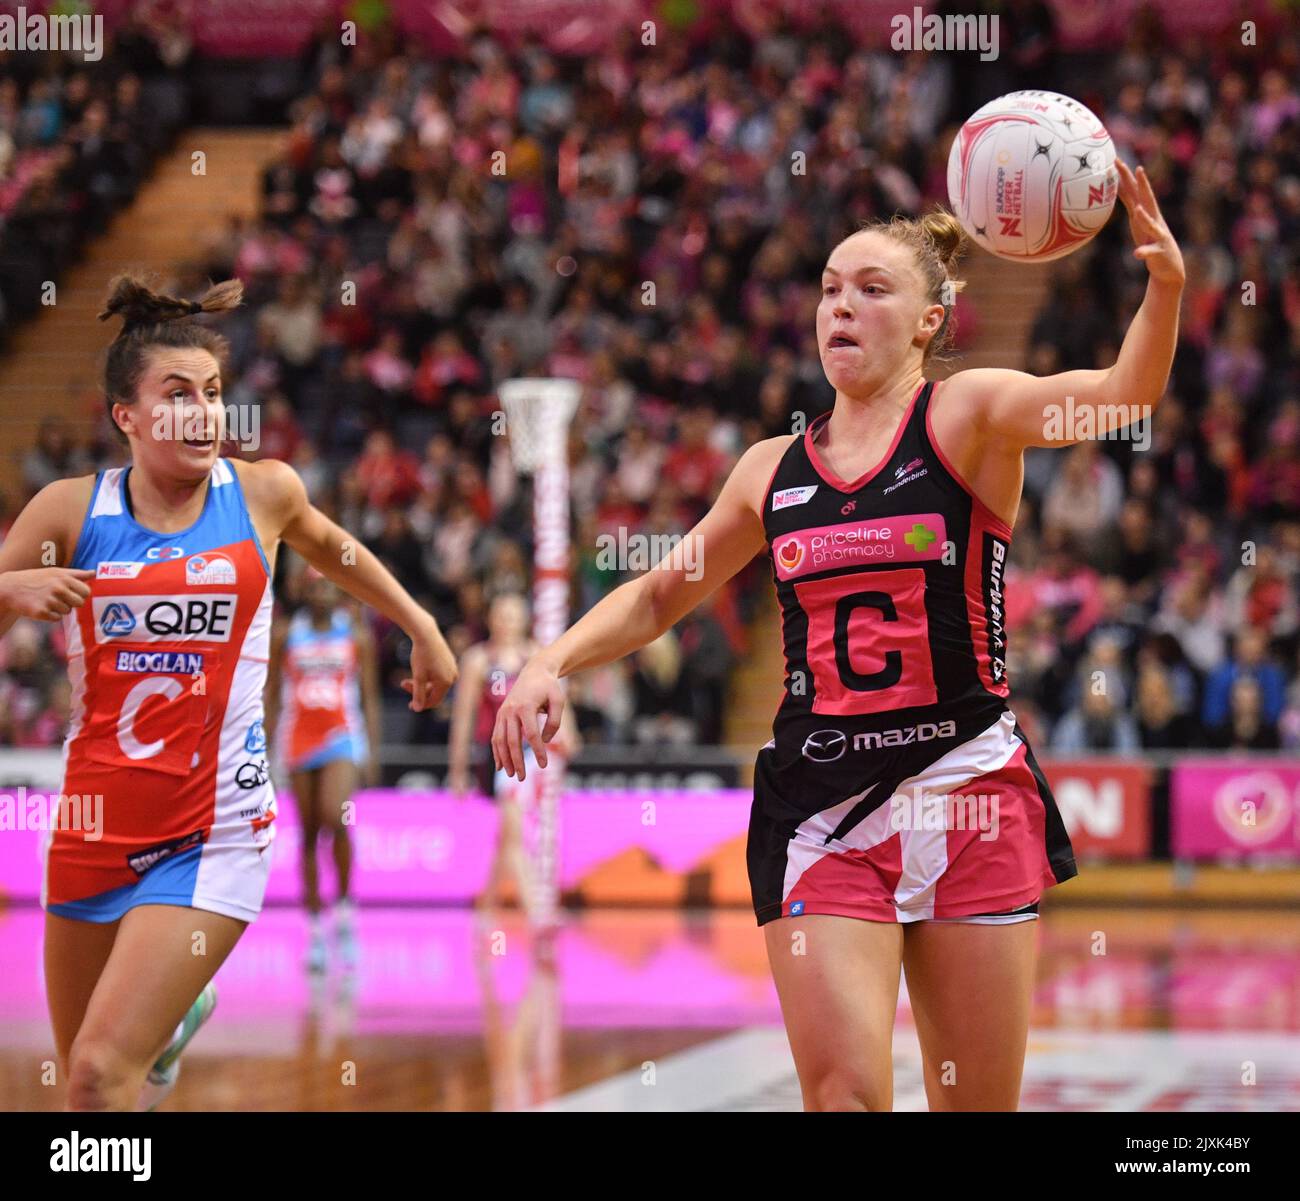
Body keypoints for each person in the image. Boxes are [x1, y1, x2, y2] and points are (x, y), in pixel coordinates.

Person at [493, 162, 1184, 1110]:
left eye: (871, 289)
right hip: (821, 804)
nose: (839, 309)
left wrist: (1166, 288)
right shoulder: (768, 468)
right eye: (827, 290)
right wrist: (549, 659)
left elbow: (1120, 395)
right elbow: (658, 597)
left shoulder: (969, 415)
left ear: (930, 320)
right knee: (844, 1096)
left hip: (965, 789)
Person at [0, 275, 457, 1112]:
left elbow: (338, 552)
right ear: (125, 417)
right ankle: (171, 1031)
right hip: (91, 824)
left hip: (211, 831)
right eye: (178, 395)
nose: (206, 412)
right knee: (92, 1091)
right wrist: (10, 593)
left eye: (213, 392)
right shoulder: (68, 509)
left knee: (101, 1073)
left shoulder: (261, 493)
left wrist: (421, 624)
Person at [266, 566, 380, 973]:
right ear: (304, 591)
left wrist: (373, 753)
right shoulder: (285, 634)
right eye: (317, 587)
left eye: (331, 587)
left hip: (342, 737)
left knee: (337, 815)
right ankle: (315, 929)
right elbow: (272, 696)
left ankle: (346, 913)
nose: (325, 594)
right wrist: (263, 745)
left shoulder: (356, 635)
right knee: (310, 831)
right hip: (297, 737)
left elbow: (368, 697)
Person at [448, 591, 577, 924]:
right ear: (491, 619)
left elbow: (556, 695)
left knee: (508, 835)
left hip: (531, 757)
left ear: (524, 619)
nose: (507, 622)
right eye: (501, 614)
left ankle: (487, 907)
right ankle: (537, 912)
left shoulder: (533, 655)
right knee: (514, 834)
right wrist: (457, 768)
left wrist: (569, 731)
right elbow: (463, 718)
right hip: (498, 757)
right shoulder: (479, 659)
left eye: (513, 615)